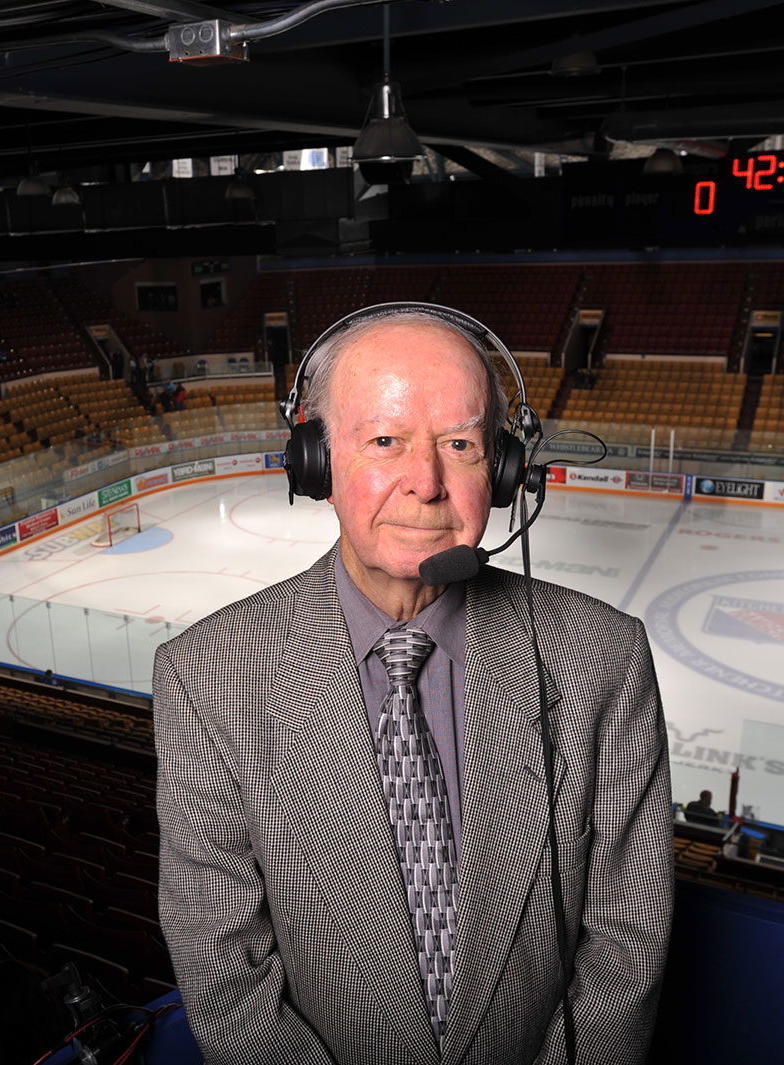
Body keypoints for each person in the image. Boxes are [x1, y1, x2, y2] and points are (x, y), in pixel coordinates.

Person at [153, 304, 672, 1065]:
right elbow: (226, 976)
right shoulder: (206, 677)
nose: (426, 483)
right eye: (385, 440)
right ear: (316, 461)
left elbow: (627, 946)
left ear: (501, 470)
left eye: (460, 445)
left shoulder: (603, 658)